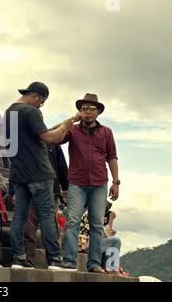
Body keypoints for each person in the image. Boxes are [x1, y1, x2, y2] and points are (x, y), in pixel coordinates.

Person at [4, 81, 80, 270]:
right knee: (47, 216)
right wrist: (67, 125)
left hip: (20, 174)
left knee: (19, 217)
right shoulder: (31, 111)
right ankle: (54, 258)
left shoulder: (8, 113)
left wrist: (63, 124)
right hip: (39, 172)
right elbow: (50, 138)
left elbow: (36, 134)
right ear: (36, 96)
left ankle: (18, 258)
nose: (40, 106)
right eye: (41, 102)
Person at [61, 93, 120, 274]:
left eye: (91, 109)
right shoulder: (72, 130)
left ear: (98, 112)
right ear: (80, 111)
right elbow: (53, 136)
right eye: (84, 108)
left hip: (99, 183)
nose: (87, 112)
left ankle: (94, 263)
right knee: (72, 221)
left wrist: (116, 182)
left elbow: (111, 157)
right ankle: (69, 261)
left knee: (96, 224)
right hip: (77, 183)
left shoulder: (106, 132)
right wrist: (71, 120)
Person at [24, 143, 69, 263]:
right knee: (30, 224)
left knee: (51, 224)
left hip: (51, 190)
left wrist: (65, 187)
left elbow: (61, 165)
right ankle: (29, 259)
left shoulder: (53, 143)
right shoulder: (26, 141)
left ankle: (53, 258)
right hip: (31, 188)